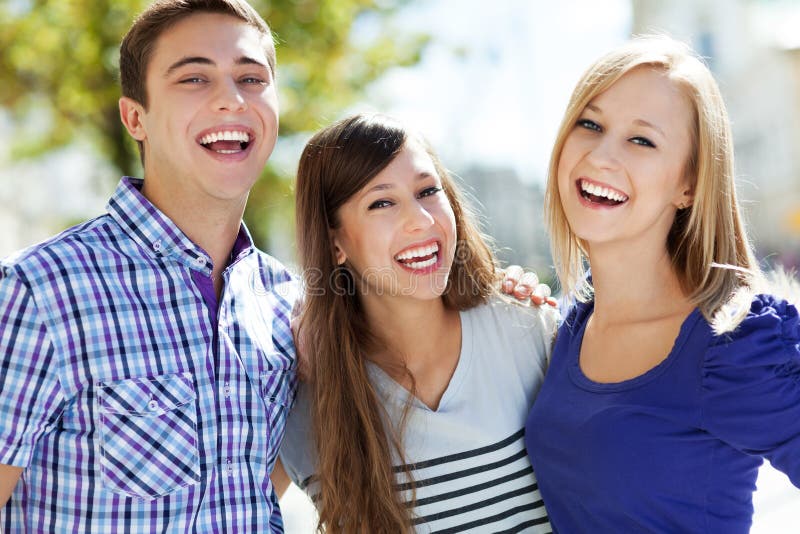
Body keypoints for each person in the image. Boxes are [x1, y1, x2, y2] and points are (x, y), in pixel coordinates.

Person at [0, 1, 299, 531]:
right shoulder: (41, 290)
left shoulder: (287, 303)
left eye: (251, 78)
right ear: (135, 117)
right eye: (194, 79)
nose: (232, 100)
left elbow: (255, 485)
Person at [523, 35, 800, 532]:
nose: (601, 155)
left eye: (642, 140)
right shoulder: (568, 325)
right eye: (590, 124)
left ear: (688, 184)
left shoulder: (733, 343)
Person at [275, 113, 559, 533]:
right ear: (335, 242)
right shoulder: (299, 396)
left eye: (428, 191)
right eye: (382, 203)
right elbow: (222, 510)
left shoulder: (529, 330)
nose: (422, 221)